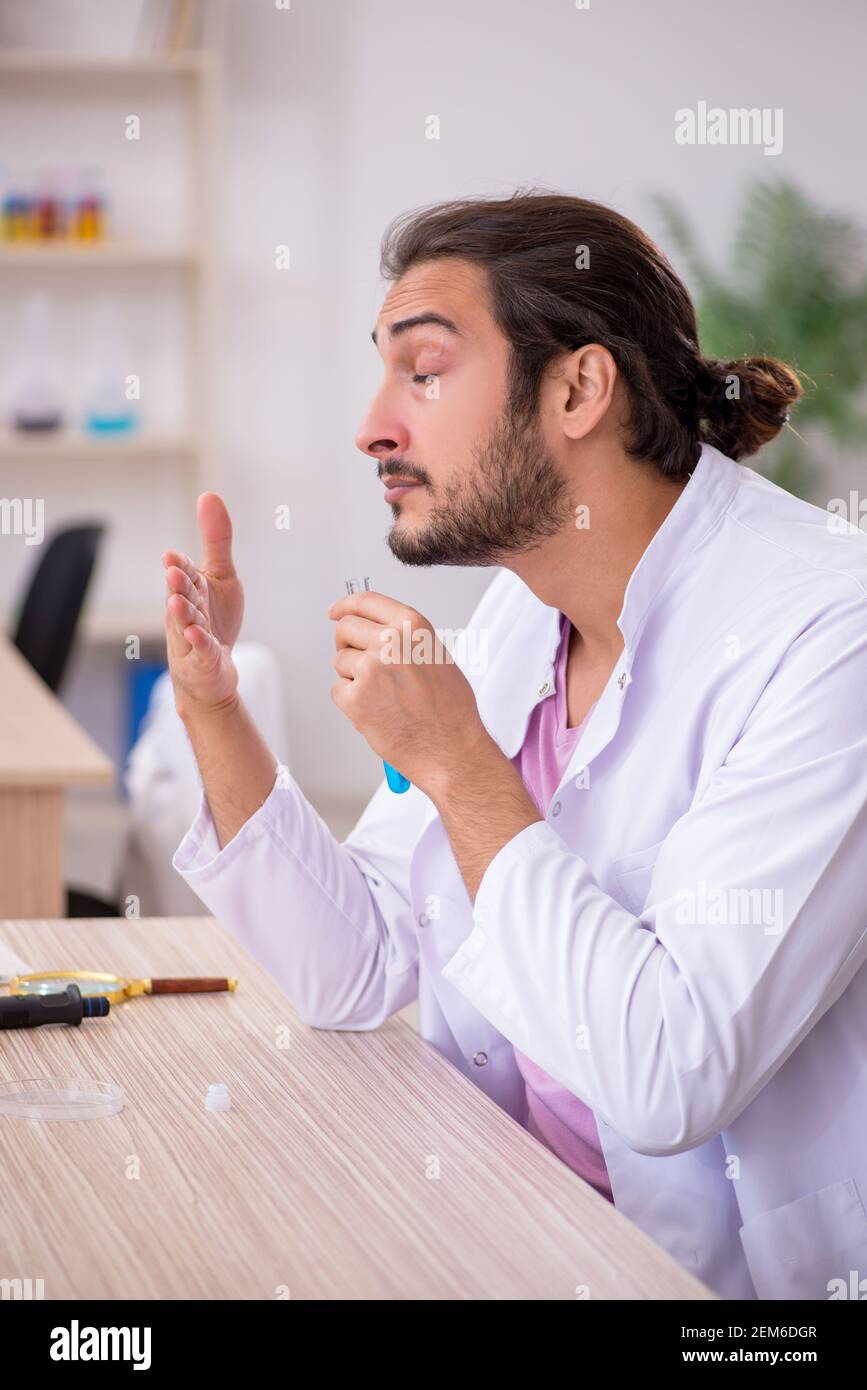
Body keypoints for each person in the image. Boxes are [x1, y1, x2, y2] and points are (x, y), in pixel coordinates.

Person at [163, 192, 867, 1301]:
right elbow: (356, 966)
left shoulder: (830, 630)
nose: (373, 427)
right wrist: (211, 706)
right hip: (517, 1228)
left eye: (425, 372)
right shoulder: (526, 615)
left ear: (578, 388)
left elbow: (669, 1074)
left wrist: (456, 762)